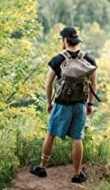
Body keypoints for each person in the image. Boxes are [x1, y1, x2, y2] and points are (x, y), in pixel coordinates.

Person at [30, 26, 97, 184]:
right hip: (80, 105)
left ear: (65, 40)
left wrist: (49, 103)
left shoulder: (58, 60)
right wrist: (89, 104)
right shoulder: (89, 60)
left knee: (51, 134)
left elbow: (48, 85)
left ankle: (42, 168)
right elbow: (94, 85)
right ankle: (77, 174)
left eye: (61, 39)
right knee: (77, 137)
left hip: (62, 104)